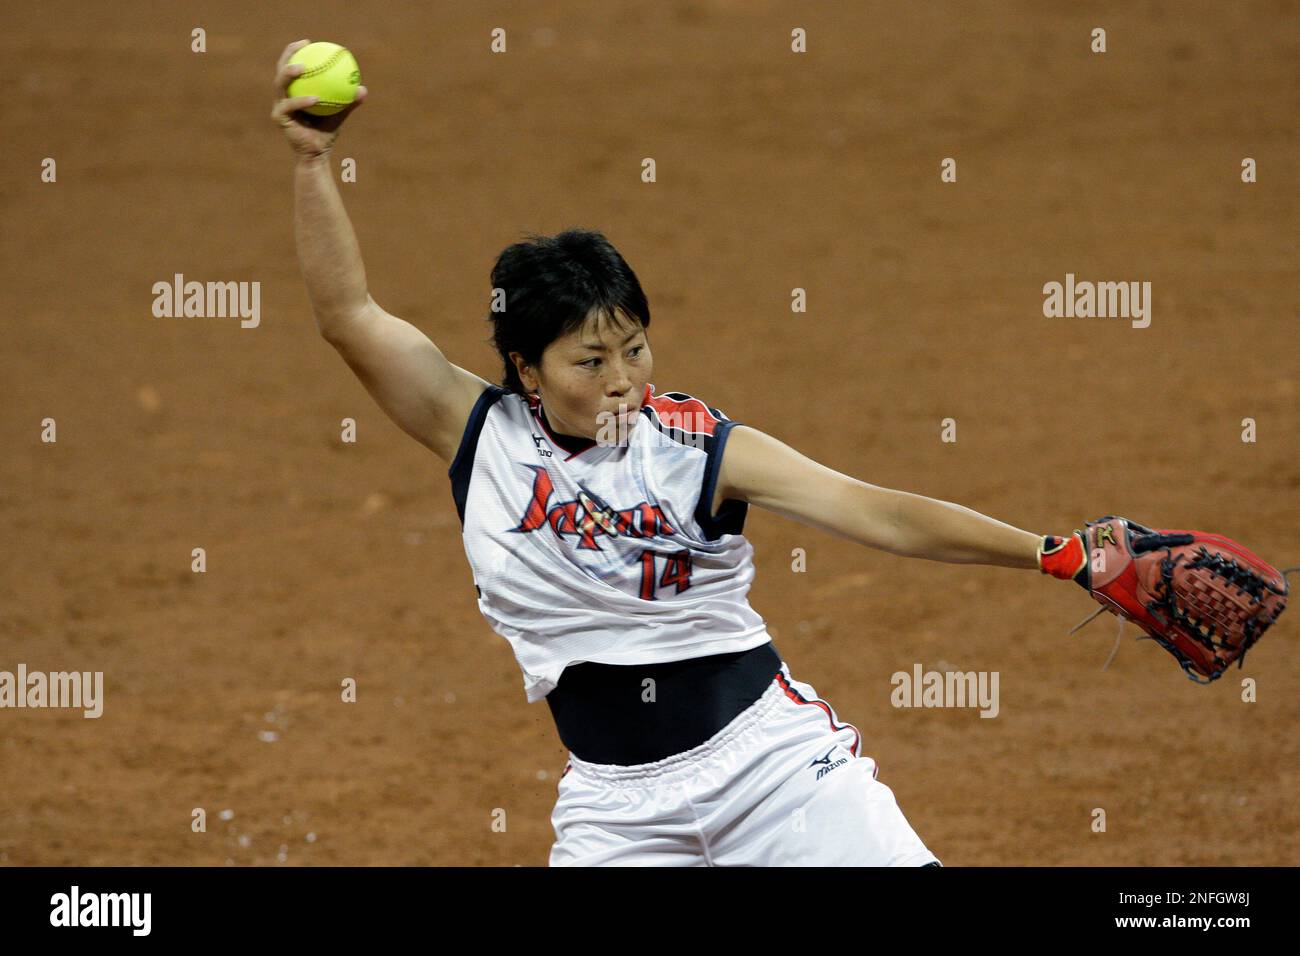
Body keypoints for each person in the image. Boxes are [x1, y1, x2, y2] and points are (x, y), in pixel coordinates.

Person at [271, 40, 1078, 866]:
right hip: (614, 812)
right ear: (527, 370)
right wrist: (311, 160)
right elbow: (349, 317)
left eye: (635, 349)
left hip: (775, 774)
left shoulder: (698, 450)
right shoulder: (481, 435)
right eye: (590, 361)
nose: (624, 380)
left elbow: (879, 512)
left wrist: (1055, 555)